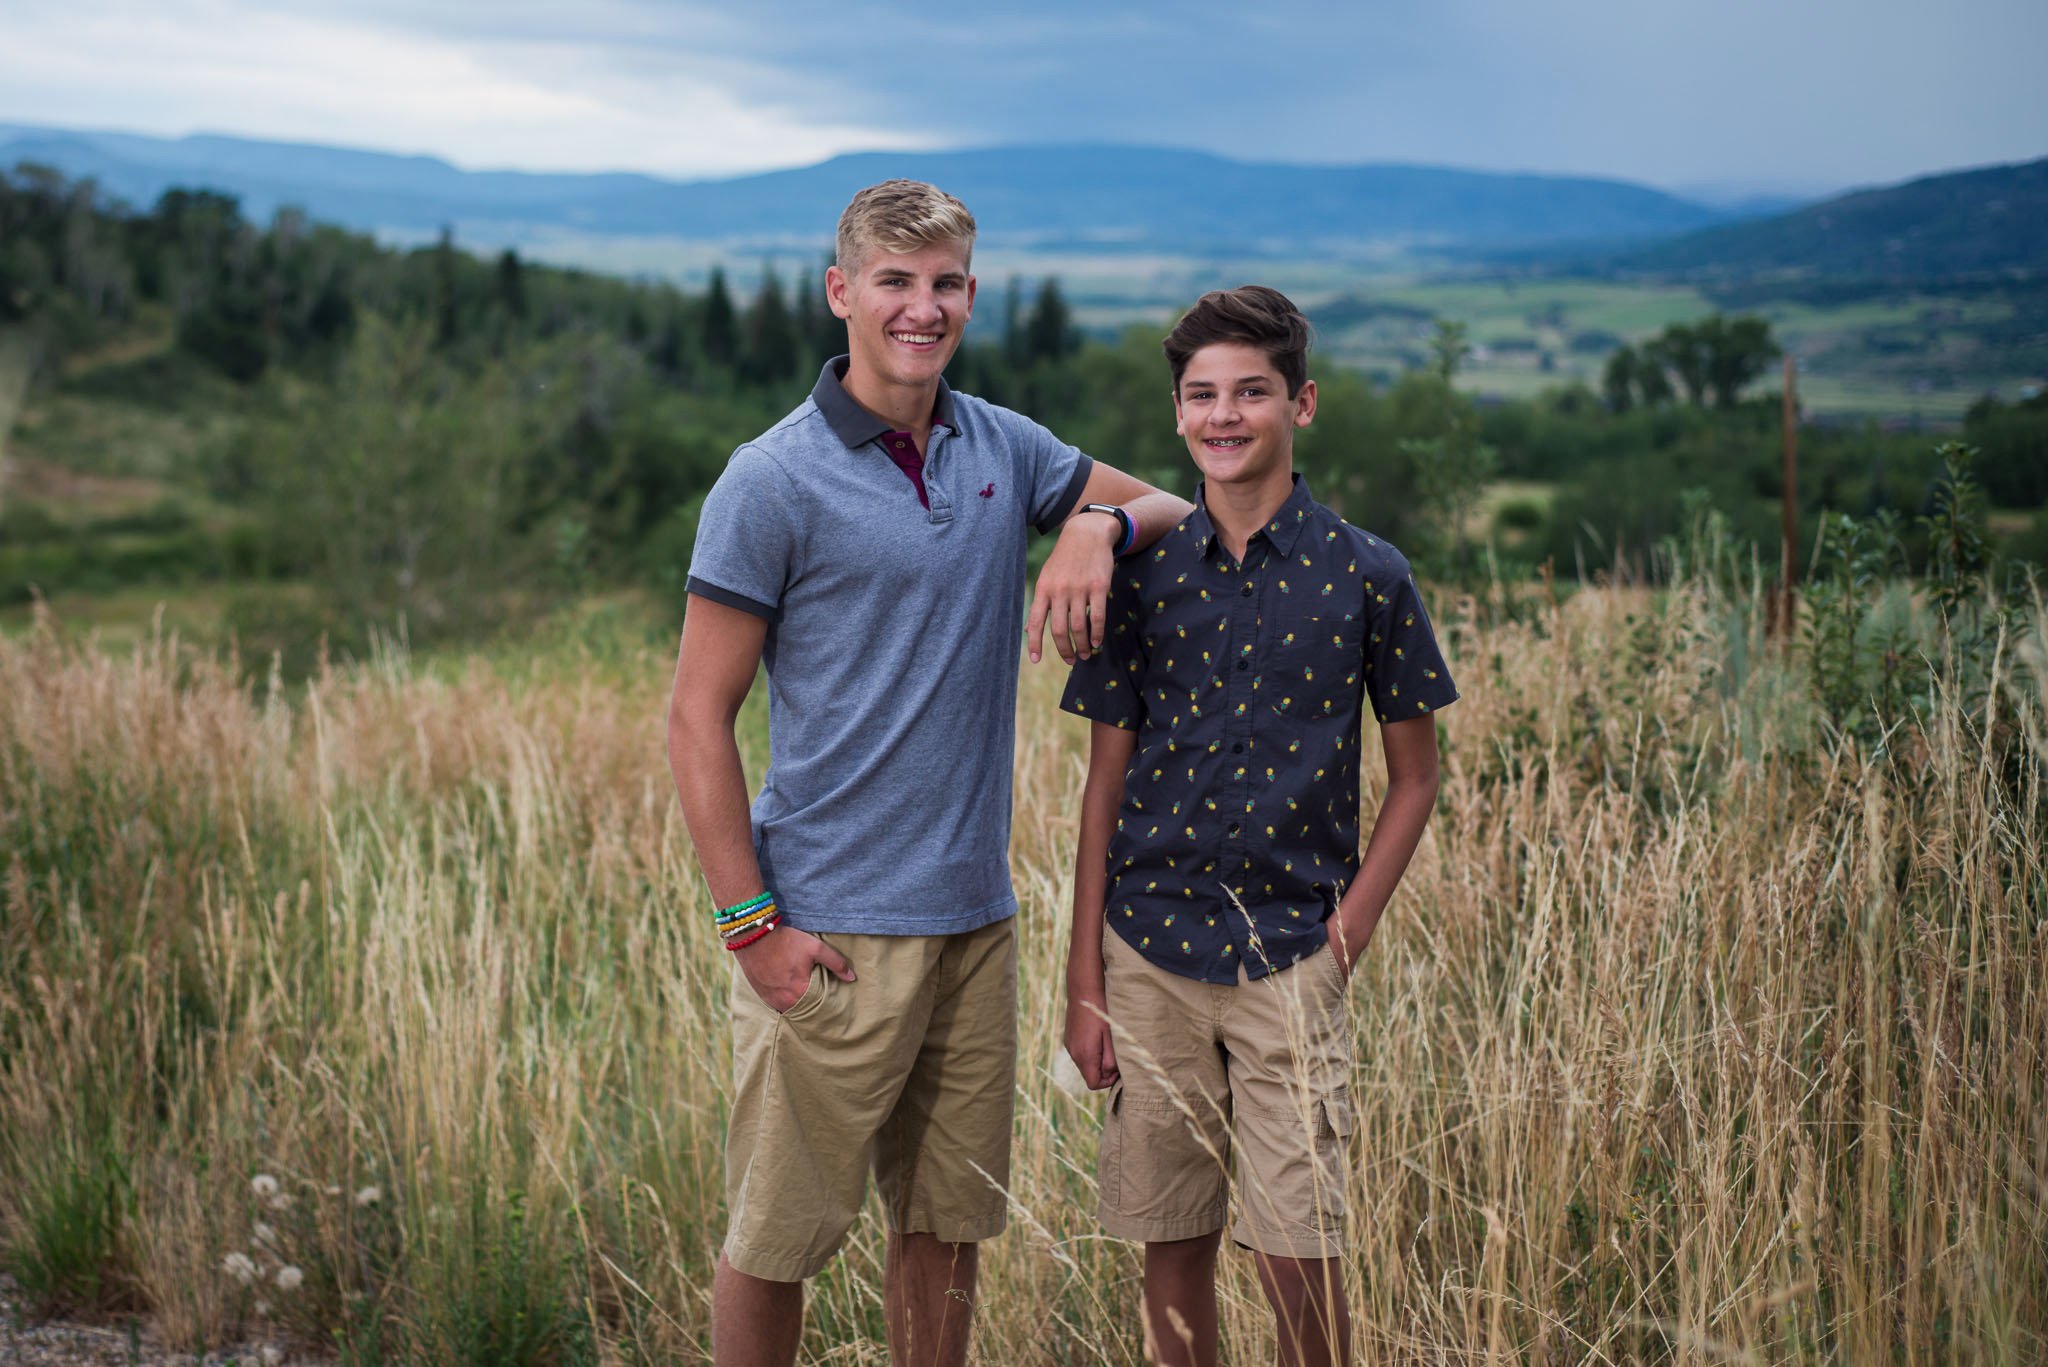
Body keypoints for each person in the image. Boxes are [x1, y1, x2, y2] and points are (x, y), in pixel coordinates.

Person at [667, 179, 1191, 1367]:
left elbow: (1171, 503)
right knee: (775, 1240)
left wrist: (1092, 525)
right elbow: (696, 717)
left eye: (945, 282)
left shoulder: (1005, 445)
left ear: (969, 291)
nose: (922, 306)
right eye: (894, 281)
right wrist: (751, 926)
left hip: (972, 924)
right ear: (840, 292)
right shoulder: (770, 479)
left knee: (946, 1233)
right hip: (829, 929)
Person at [1058, 285, 1458, 1367]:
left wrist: (1348, 932)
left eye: (1250, 391)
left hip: (1292, 955)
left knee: (1299, 1250)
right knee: (1172, 1239)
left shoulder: (1368, 574)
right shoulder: (1140, 579)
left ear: (1301, 403)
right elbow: (1103, 785)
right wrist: (1083, 980)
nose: (1223, 415)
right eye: (1201, 394)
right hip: (1148, 951)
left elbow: (1415, 777)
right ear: (1177, 412)